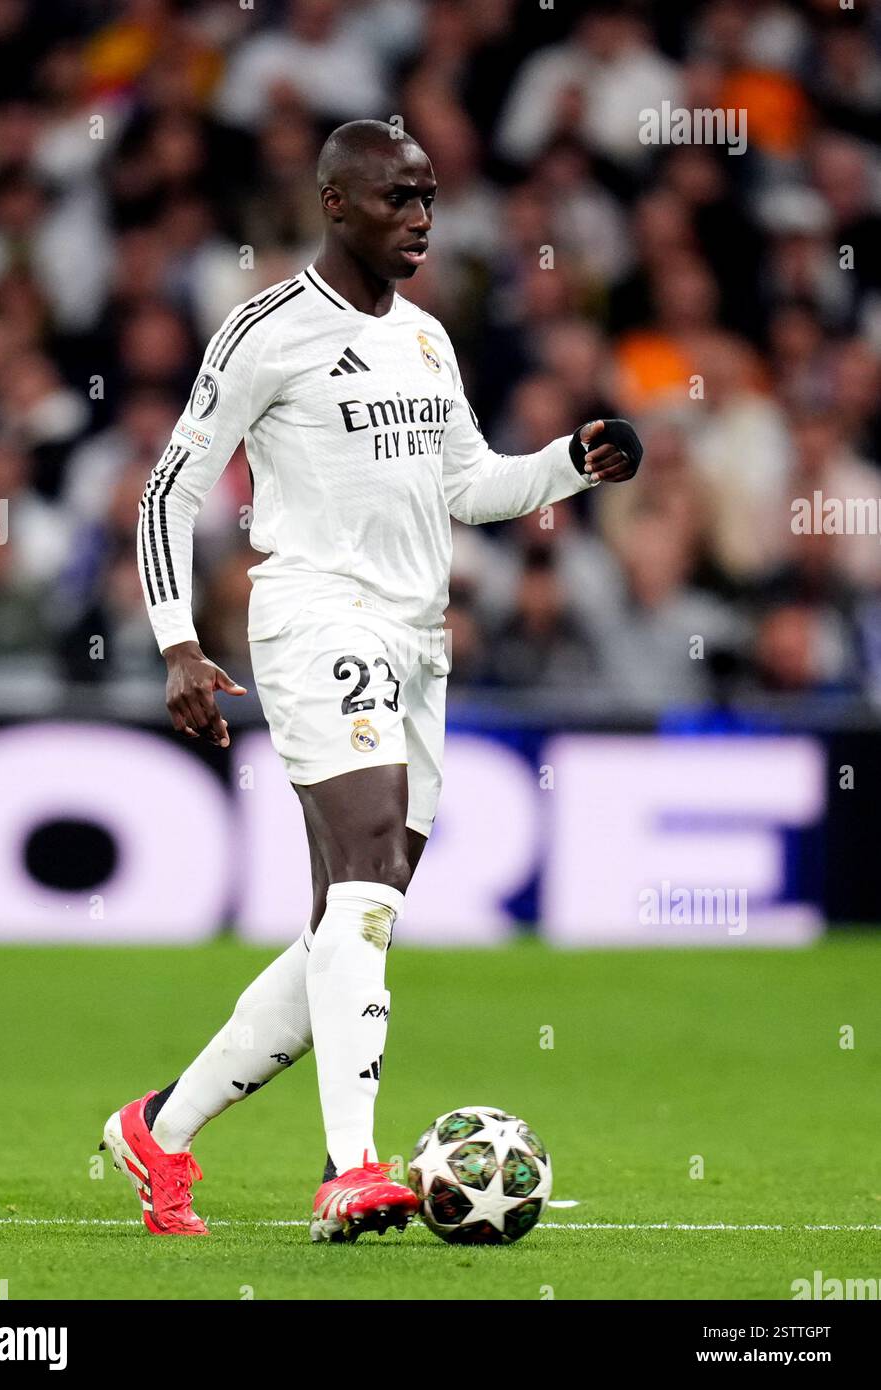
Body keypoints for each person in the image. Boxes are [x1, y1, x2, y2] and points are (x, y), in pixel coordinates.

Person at [101, 120, 642, 1242]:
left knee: (352, 918)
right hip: (311, 613)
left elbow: (472, 485)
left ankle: (160, 1126)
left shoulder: (429, 343)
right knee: (364, 877)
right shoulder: (267, 330)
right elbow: (168, 489)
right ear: (335, 203)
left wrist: (566, 466)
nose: (422, 219)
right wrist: (176, 641)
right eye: (399, 198)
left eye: (431, 198)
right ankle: (350, 1165)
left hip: (416, 641)